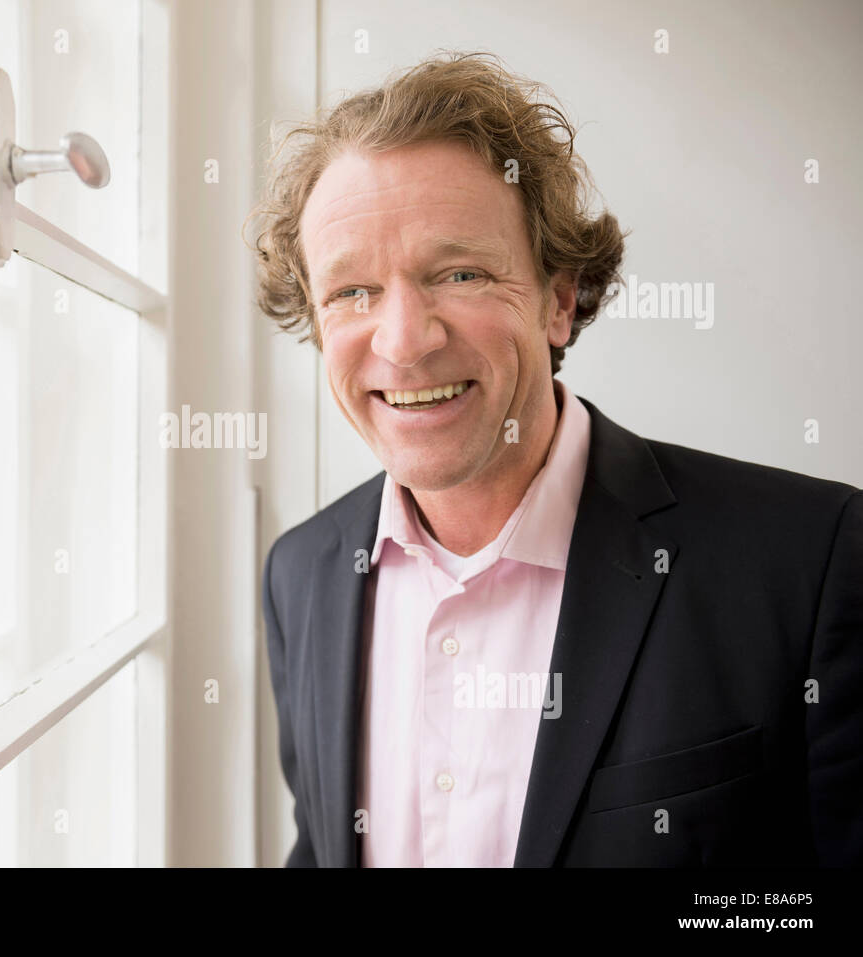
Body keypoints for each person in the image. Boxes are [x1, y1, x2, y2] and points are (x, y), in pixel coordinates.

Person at [249, 51, 862, 867]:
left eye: (460, 272)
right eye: (352, 292)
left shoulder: (810, 561)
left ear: (560, 300)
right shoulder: (300, 574)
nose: (403, 342)